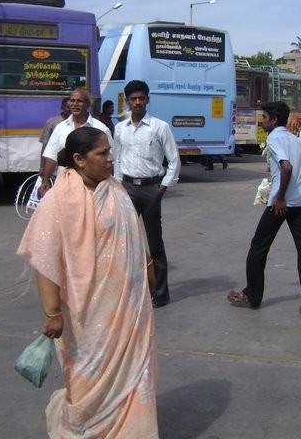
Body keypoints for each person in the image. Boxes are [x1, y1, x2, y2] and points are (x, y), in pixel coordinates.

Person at [17, 127, 158, 438]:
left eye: (110, 151)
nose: (111, 159)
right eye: (103, 153)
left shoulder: (116, 189)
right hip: (86, 317)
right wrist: (52, 313)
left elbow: (134, 228)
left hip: (129, 312)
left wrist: (147, 264)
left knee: (134, 375)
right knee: (87, 387)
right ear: (79, 160)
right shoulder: (57, 202)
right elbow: (45, 259)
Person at [227, 101, 301, 319]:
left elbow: (286, 166)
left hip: (281, 203)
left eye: (265, 117)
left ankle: (253, 294)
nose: (262, 122)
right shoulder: (294, 139)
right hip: (299, 201)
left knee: (258, 248)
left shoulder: (275, 137)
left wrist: (279, 197)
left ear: (274, 120)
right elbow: (295, 169)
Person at [114, 80, 180, 308]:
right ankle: (130, 291)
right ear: (127, 101)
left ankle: (161, 293)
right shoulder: (120, 128)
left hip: (152, 189)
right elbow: (117, 158)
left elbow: (174, 160)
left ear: (148, 100)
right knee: (126, 242)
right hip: (127, 189)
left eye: (142, 98)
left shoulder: (159, 127)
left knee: (155, 242)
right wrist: (118, 184)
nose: (138, 102)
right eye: (133, 99)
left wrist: (163, 188)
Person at [39, 88, 113, 197]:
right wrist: (45, 180)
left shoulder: (100, 129)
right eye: (72, 101)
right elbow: (51, 156)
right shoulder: (60, 128)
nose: (75, 104)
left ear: (88, 104)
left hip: (93, 188)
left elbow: (110, 159)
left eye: (79, 101)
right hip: (65, 186)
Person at [38, 96, 71, 176]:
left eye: (72, 107)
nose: (70, 110)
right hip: (54, 169)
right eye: (68, 107)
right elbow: (45, 146)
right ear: (62, 107)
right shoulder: (52, 123)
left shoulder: (77, 123)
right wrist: (42, 167)